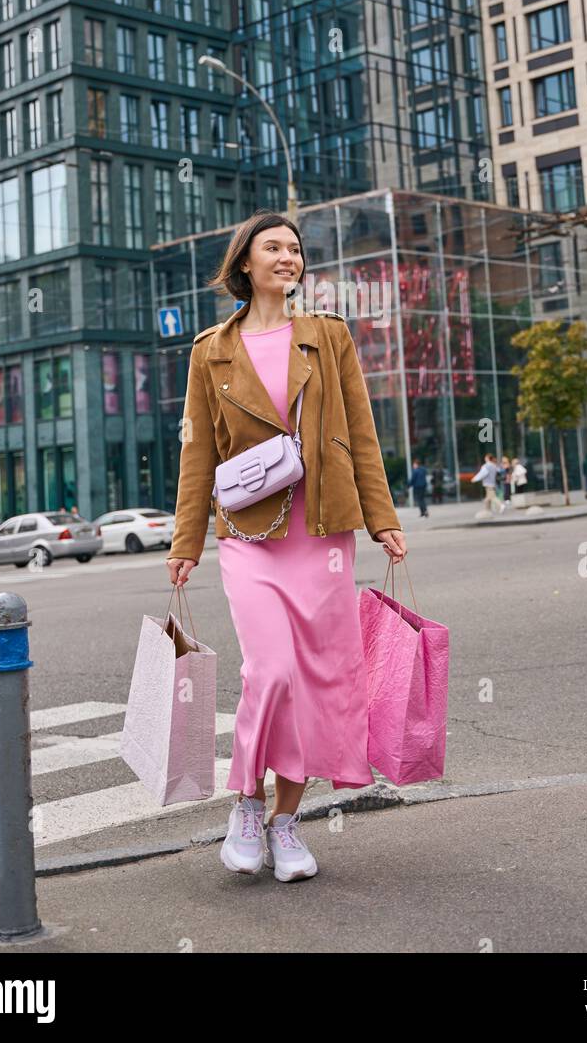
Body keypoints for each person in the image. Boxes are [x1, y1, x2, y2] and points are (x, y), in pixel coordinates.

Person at [166, 210, 407, 885]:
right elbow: (197, 451)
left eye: (295, 249)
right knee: (269, 672)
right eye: (273, 247)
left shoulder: (327, 337)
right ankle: (246, 803)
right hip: (250, 533)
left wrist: (381, 517)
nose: (287, 257)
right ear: (245, 261)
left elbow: (361, 432)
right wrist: (186, 538)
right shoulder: (211, 349)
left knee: (318, 682)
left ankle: (286, 821)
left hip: (323, 535)